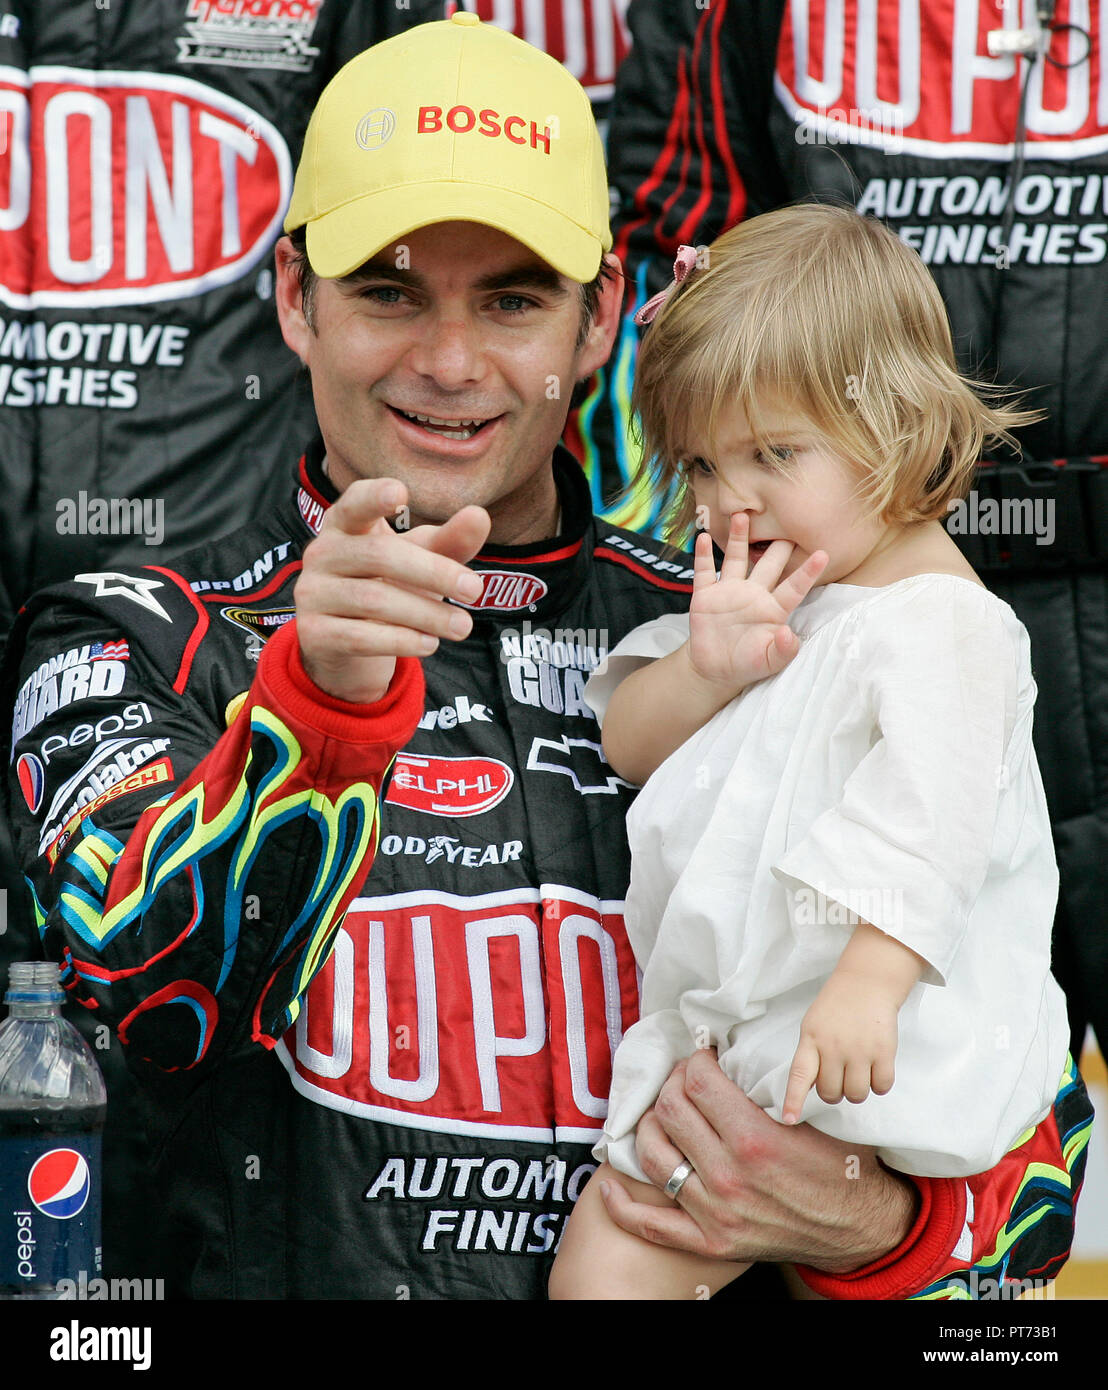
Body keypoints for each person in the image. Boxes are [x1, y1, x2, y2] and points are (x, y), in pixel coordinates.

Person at [1, 15, 1090, 1300]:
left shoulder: (782, 623)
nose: (450, 363)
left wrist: (872, 1225)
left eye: (513, 299)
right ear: (295, 299)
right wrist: (317, 708)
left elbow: (1027, 1115)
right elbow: (153, 996)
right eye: (389, 290)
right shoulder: (140, 635)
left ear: (599, 319)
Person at [548, 205, 1073, 1300]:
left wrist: (870, 982)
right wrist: (707, 668)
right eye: (698, 464)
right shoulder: (781, 594)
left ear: (901, 432)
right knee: (604, 1262)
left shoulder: (942, 622)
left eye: (772, 452)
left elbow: (930, 827)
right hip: (746, 1048)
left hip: (880, 1042)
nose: (726, 498)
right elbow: (627, 741)